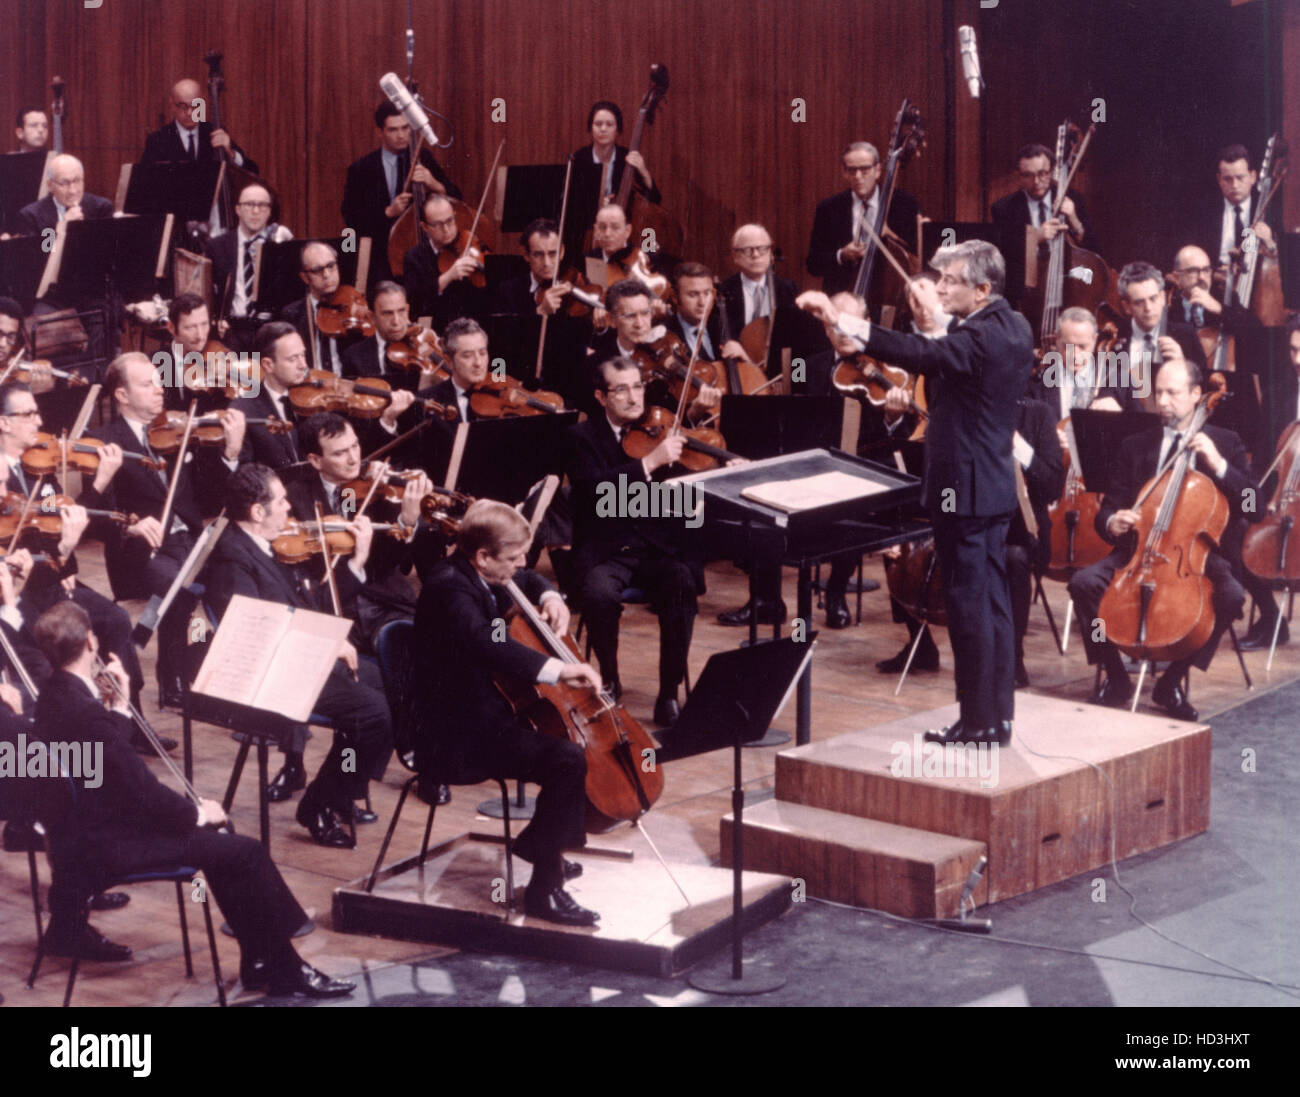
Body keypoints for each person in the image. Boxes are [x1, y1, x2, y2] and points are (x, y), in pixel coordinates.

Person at [31, 600, 353, 997]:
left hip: (76, 839)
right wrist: (196, 814)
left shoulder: (50, 700)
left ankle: (263, 961)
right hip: (107, 845)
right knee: (242, 850)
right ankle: (282, 965)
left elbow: (101, 763)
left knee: (223, 847)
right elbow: (141, 791)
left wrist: (118, 708)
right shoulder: (87, 714)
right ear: (91, 642)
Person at [799, 239, 1032, 745]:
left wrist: (843, 322)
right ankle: (997, 716)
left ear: (983, 289)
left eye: (951, 281)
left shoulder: (976, 340)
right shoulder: (1012, 326)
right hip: (990, 489)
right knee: (993, 606)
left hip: (962, 494)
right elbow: (953, 347)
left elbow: (923, 352)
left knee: (969, 609)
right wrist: (938, 321)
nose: (940, 287)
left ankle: (975, 722)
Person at [411, 499, 601, 926]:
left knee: (567, 749)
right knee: (566, 759)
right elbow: (487, 643)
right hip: (453, 736)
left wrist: (551, 594)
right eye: (512, 558)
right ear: (483, 555)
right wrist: (560, 669)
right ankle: (544, 887)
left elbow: (528, 578)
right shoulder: (448, 588)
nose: (520, 566)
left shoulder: (478, 570)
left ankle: (543, 847)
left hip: (484, 715)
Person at [201, 464, 393, 847]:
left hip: (301, 657)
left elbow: (313, 603)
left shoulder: (268, 546)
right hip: (270, 674)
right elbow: (257, 627)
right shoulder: (231, 558)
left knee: (393, 691)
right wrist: (327, 643)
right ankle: (320, 804)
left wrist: (356, 561)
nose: (290, 508)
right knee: (373, 714)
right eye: (283, 500)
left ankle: (341, 789)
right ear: (258, 512)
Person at [1066, 358, 1250, 721]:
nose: (1162, 401)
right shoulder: (1135, 446)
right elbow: (1109, 510)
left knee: (1231, 596)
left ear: (1198, 395)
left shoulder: (1225, 443)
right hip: (1137, 552)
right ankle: (1116, 676)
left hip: (1196, 557)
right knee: (1083, 584)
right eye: (1158, 392)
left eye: (1173, 393)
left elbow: (1253, 505)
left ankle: (1172, 681)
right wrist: (1113, 522)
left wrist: (1220, 466)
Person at [88, 352, 245, 707]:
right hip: (141, 549)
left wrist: (231, 452)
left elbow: (210, 495)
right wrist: (130, 525)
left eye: (159, 381)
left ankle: (214, 672)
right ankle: (173, 678)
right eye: (147, 384)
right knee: (181, 589)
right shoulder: (105, 442)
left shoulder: (176, 431)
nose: (160, 390)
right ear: (122, 395)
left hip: (189, 538)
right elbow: (98, 512)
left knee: (236, 580)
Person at [567, 356, 703, 726]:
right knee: (598, 593)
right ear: (600, 396)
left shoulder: (661, 430)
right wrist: (648, 465)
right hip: (606, 551)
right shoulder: (581, 438)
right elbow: (595, 497)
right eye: (621, 389)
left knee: (681, 583)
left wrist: (720, 469)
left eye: (638, 386)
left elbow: (685, 501)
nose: (633, 396)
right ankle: (609, 678)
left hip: (655, 549)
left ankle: (668, 693)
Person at [0, 380, 146, 715]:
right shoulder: (1, 478)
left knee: (116, 619)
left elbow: (59, 521)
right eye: (29, 414)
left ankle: (128, 713)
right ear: (4, 422)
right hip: (19, 590)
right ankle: (64, 720)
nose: (39, 422)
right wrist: (60, 557)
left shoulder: (39, 468)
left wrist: (99, 483)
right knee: (53, 639)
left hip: (50, 579)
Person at [340, 100, 461, 284]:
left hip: (423, 252)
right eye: (393, 130)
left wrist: (433, 183)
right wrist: (388, 212)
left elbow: (457, 197)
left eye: (405, 128)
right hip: (380, 257)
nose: (401, 135)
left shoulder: (422, 157)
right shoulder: (361, 169)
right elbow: (351, 219)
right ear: (380, 132)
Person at [806, 141, 920, 299]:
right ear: (844, 172)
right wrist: (841, 255)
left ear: (878, 170)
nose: (858, 176)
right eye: (851, 170)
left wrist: (892, 237)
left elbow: (917, 255)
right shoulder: (829, 208)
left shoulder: (903, 203)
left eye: (865, 169)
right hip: (844, 297)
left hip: (891, 296)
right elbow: (813, 264)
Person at [1006, 396, 1065, 688]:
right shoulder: (969, 407)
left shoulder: (1037, 413)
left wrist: (1019, 447)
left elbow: (1053, 485)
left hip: (1026, 532)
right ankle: (920, 643)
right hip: (975, 524)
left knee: (1014, 558)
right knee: (899, 543)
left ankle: (1013, 656)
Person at [564, 100, 661, 268]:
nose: (603, 129)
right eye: (598, 124)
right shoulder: (578, 159)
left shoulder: (627, 158)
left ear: (618, 130)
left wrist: (643, 170)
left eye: (609, 124)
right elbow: (569, 202)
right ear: (590, 128)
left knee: (650, 248)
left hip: (623, 232)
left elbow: (654, 199)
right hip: (588, 233)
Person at [1110, 261, 1207, 410]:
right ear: (1126, 307)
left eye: (1153, 298)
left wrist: (1182, 364)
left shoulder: (1186, 335)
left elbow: (1202, 389)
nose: (1148, 308)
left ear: (1162, 298)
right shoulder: (1112, 339)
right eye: (1139, 302)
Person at [207, 182, 292, 350]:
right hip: (232, 330)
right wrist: (217, 318)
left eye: (262, 206)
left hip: (270, 330)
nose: (255, 211)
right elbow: (209, 291)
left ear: (269, 211)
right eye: (249, 205)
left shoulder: (280, 244)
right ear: (237, 209)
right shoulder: (217, 246)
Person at [401, 194, 490, 330]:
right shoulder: (414, 257)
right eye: (438, 225)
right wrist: (448, 276)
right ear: (424, 227)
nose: (446, 229)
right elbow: (415, 301)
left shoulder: (469, 243)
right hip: (437, 329)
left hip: (473, 327)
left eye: (450, 221)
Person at [278, 241, 361, 376]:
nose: (327, 275)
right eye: (317, 270)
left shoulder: (355, 308)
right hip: (310, 387)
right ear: (305, 277)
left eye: (330, 266)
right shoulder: (291, 314)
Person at [140, 77, 258, 171]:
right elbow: (145, 183)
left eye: (196, 105)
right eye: (183, 106)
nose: (190, 112)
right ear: (172, 105)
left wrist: (231, 153)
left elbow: (252, 170)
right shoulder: (158, 140)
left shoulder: (215, 131)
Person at [1196, 143, 1280, 275]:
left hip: (1255, 284)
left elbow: (1284, 262)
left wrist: (1269, 241)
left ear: (1253, 177)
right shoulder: (1204, 213)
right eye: (1228, 179)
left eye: (1240, 178)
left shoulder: (1270, 211)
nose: (1234, 185)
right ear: (1219, 180)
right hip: (1216, 284)